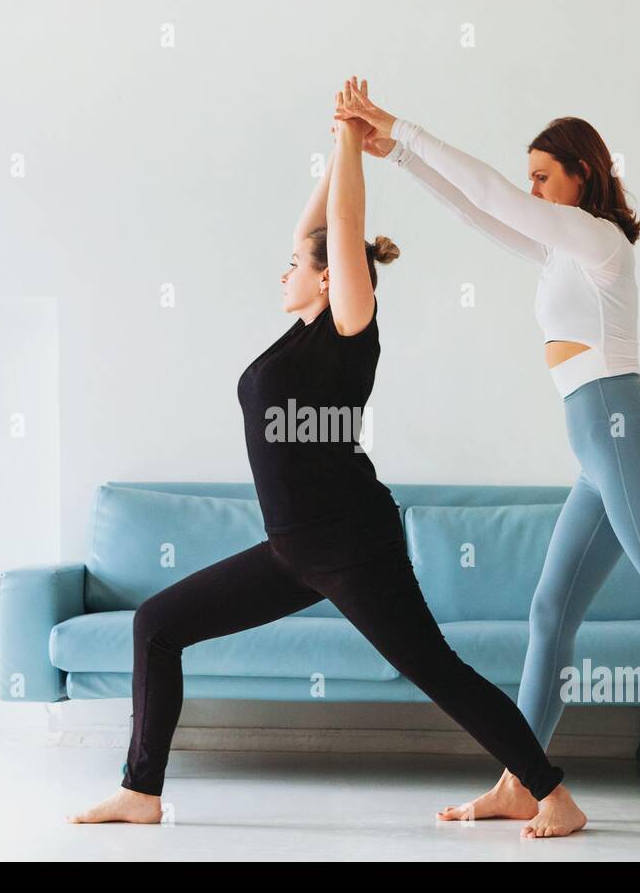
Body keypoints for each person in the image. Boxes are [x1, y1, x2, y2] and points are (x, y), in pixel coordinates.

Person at [68, 80, 586, 838]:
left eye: (296, 265)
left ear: (327, 276)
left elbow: (342, 223)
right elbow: (317, 222)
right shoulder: (303, 325)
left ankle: (552, 792)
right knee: (157, 623)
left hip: (351, 545)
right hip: (292, 550)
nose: (282, 271)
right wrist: (333, 138)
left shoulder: (350, 323)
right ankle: (141, 790)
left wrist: (352, 139)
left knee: (437, 669)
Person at [334, 77, 640, 838]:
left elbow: (495, 195)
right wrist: (393, 154)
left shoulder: (601, 242)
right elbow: (476, 208)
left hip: (626, 438)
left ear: (581, 175)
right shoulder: (560, 255)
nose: (530, 188)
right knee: (550, 611)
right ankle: (519, 780)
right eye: (528, 175)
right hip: (601, 450)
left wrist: (405, 125)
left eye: (542, 176)